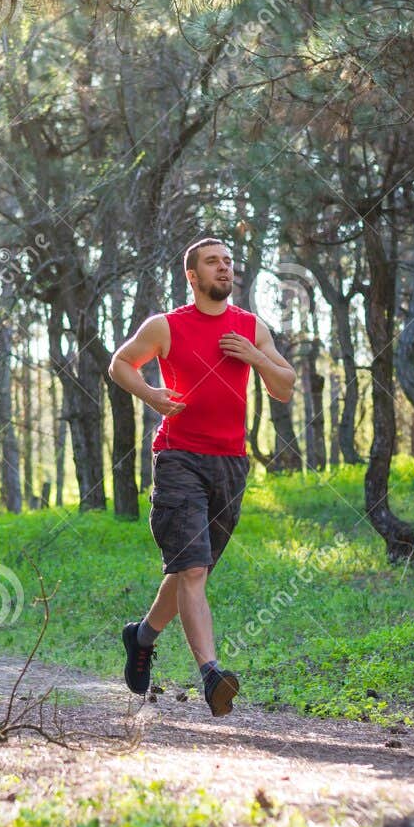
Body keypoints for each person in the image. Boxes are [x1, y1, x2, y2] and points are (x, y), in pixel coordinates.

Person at [106, 237, 297, 715]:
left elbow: (285, 387)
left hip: (230, 462)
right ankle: (212, 673)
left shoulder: (250, 327)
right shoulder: (166, 326)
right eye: (213, 262)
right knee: (191, 568)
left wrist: (254, 356)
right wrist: (152, 395)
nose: (224, 268)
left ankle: (142, 636)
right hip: (178, 458)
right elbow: (119, 364)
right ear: (192, 276)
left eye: (228, 261)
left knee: (195, 566)